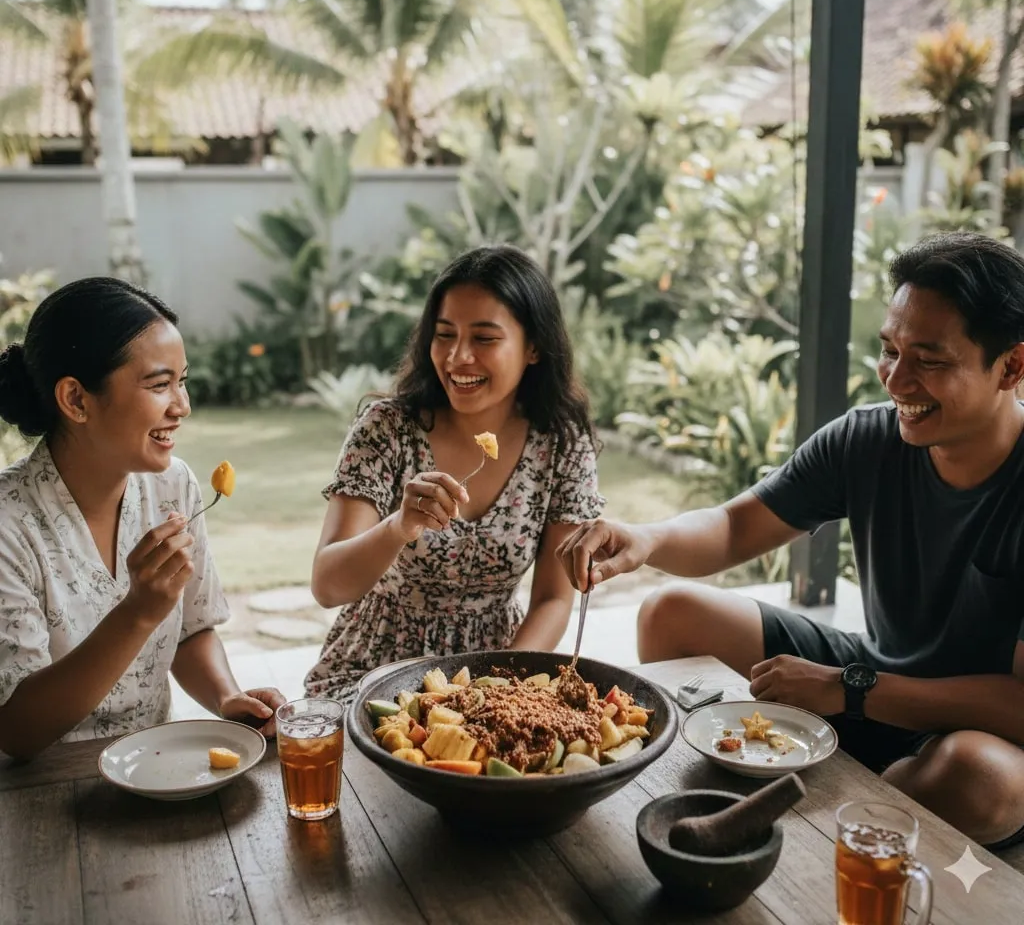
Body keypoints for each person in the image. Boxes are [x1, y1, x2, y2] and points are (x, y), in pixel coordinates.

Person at [556, 231, 1024, 850]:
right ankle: (840, 805)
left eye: (930, 361)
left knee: (982, 780)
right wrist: (644, 538)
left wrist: (850, 692)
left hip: (975, 731)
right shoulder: (868, 441)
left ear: (1012, 365)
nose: (897, 380)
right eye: (890, 351)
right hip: (872, 677)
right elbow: (734, 527)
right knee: (673, 613)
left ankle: (813, 828)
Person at [0, 278, 285, 759]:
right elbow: (16, 730)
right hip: (39, 793)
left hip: (156, 769)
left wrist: (225, 698)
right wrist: (137, 612)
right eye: (160, 385)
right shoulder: (9, 524)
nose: (183, 406)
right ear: (75, 399)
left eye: (183, 381)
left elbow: (191, 629)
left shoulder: (173, 486)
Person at [304, 245, 604, 702]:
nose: (458, 357)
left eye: (484, 338)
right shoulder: (387, 429)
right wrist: (399, 526)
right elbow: (327, 586)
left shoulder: (562, 443)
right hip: (374, 674)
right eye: (445, 335)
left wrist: (502, 688)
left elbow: (553, 599)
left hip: (499, 668)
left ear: (534, 348)